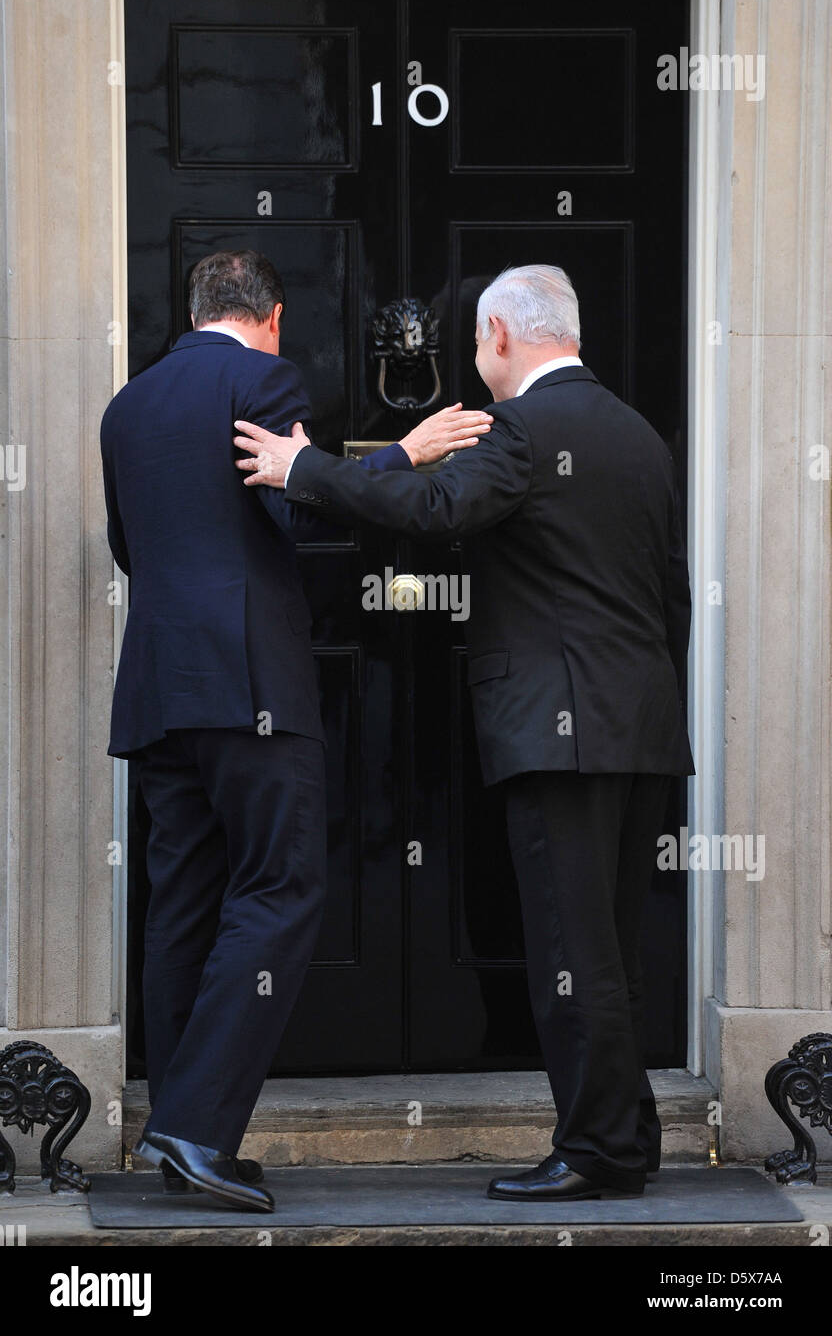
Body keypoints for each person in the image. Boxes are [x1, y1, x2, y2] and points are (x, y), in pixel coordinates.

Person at [232, 263, 695, 1202]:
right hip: (639, 724)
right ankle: (627, 1135)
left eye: (476, 343)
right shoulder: (638, 431)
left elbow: (434, 509)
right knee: (612, 946)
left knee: (571, 951)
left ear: (498, 337)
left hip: (561, 735)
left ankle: (599, 1151)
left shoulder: (523, 428)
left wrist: (302, 469)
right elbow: (670, 594)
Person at [101, 249, 492, 1212]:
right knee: (280, 888)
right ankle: (196, 1129)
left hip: (158, 685)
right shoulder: (263, 378)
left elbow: (126, 546)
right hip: (250, 685)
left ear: (195, 311)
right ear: (271, 317)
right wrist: (402, 457)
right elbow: (292, 500)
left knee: (182, 901)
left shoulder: (127, 406)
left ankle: (183, 1131)